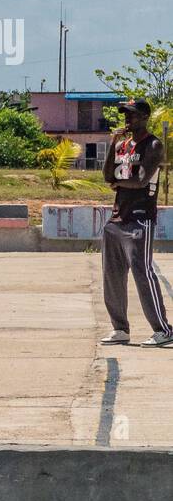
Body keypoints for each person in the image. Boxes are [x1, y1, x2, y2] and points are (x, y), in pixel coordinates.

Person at [99, 99, 171, 347]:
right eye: (125, 114)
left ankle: (162, 329)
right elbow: (108, 175)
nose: (127, 119)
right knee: (112, 275)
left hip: (140, 219)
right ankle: (120, 328)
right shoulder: (122, 146)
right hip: (117, 218)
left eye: (131, 114)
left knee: (143, 273)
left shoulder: (153, 145)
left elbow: (141, 181)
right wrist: (112, 145)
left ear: (144, 117)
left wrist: (118, 183)